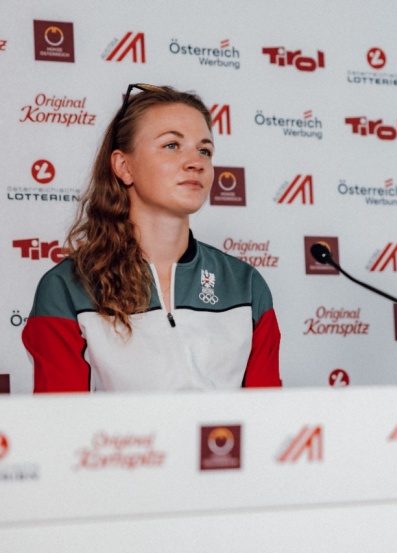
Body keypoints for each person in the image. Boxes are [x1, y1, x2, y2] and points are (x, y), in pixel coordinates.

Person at [23, 84, 282, 392]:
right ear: (123, 166)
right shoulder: (66, 288)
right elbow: (60, 427)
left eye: (205, 150)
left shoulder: (245, 285)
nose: (195, 162)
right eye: (172, 145)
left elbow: (267, 419)